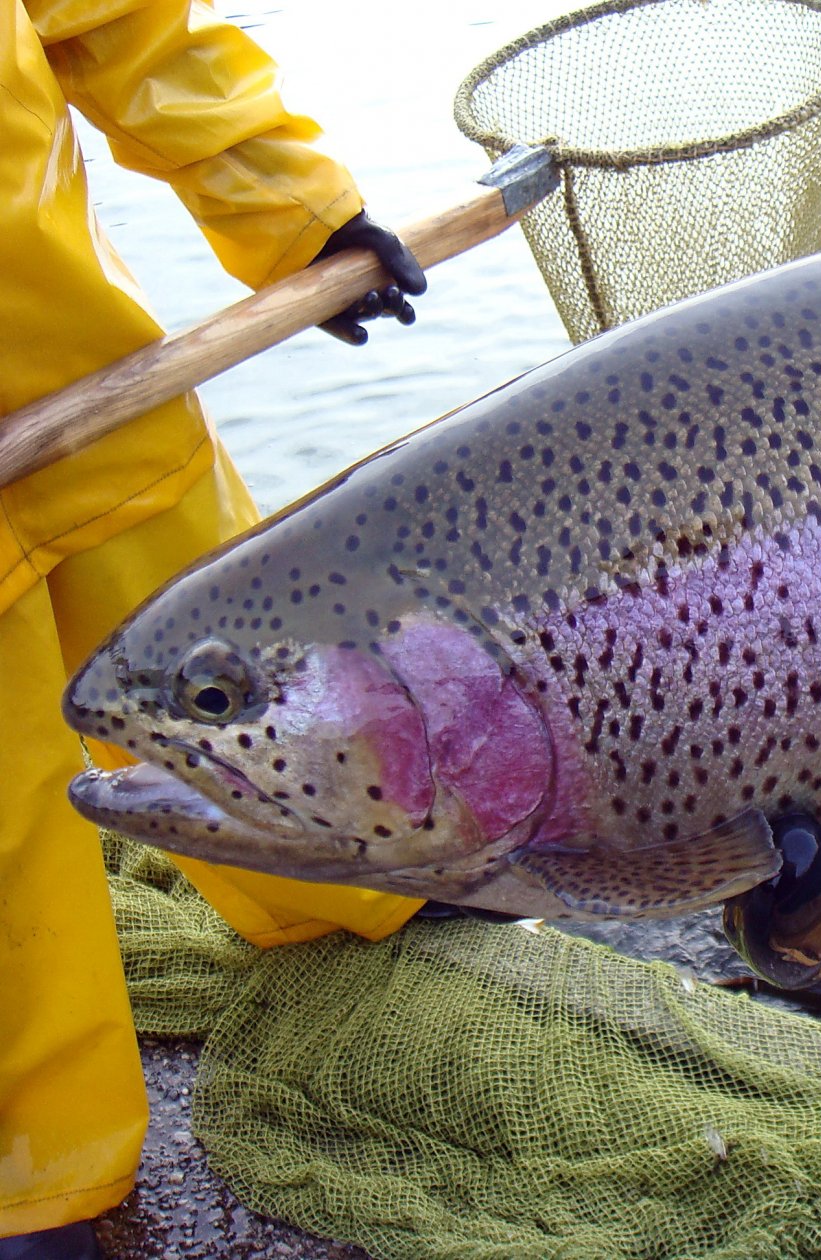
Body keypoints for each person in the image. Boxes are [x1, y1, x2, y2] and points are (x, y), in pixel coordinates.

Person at [0, 2, 429, 1255]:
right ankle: (41, 1174)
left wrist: (296, 216)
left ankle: (362, 888)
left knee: (243, 678)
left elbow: (132, 24)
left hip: (90, 385)